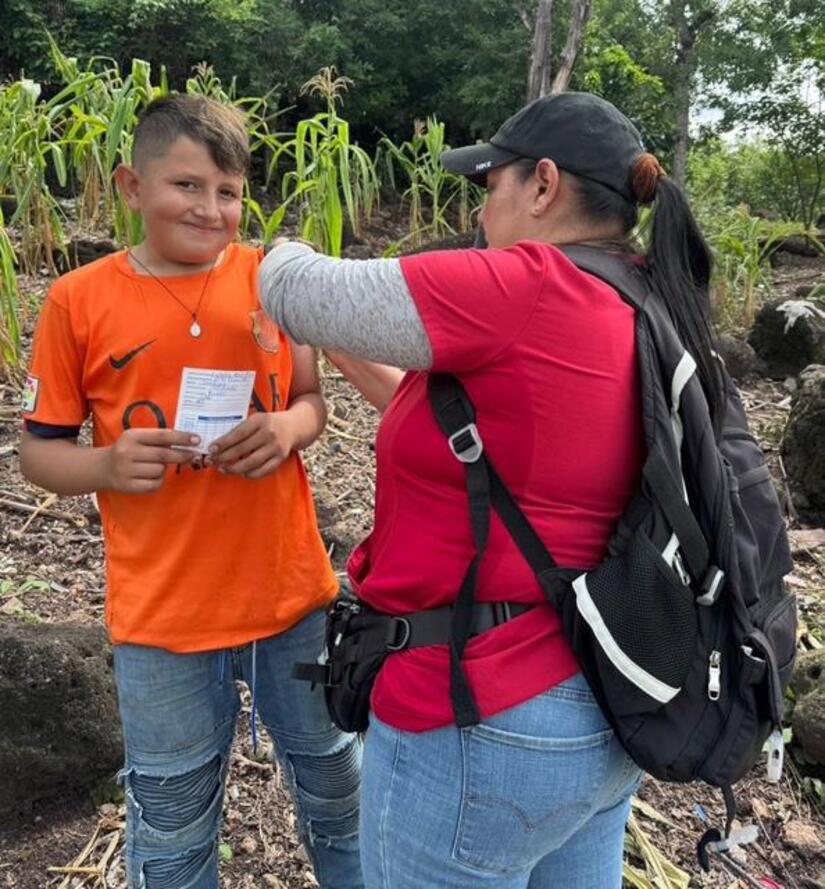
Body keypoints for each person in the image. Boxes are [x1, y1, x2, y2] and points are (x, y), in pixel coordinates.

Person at [258, 91, 724, 888]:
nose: (481, 209)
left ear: (542, 185)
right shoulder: (643, 295)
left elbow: (294, 289)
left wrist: (275, 246)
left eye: (490, 184)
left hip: (480, 717)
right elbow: (499, 446)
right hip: (606, 700)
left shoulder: (524, 284)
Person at [19, 94, 363, 889]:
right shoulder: (79, 299)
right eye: (187, 185)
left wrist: (285, 429)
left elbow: (312, 401)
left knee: (337, 789)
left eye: (229, 191)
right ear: (131, 187)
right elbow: (39, 456)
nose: (211, 209)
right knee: (172, 825)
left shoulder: (271, 279)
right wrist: (105, 466)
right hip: (163, 617)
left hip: (290, 598)